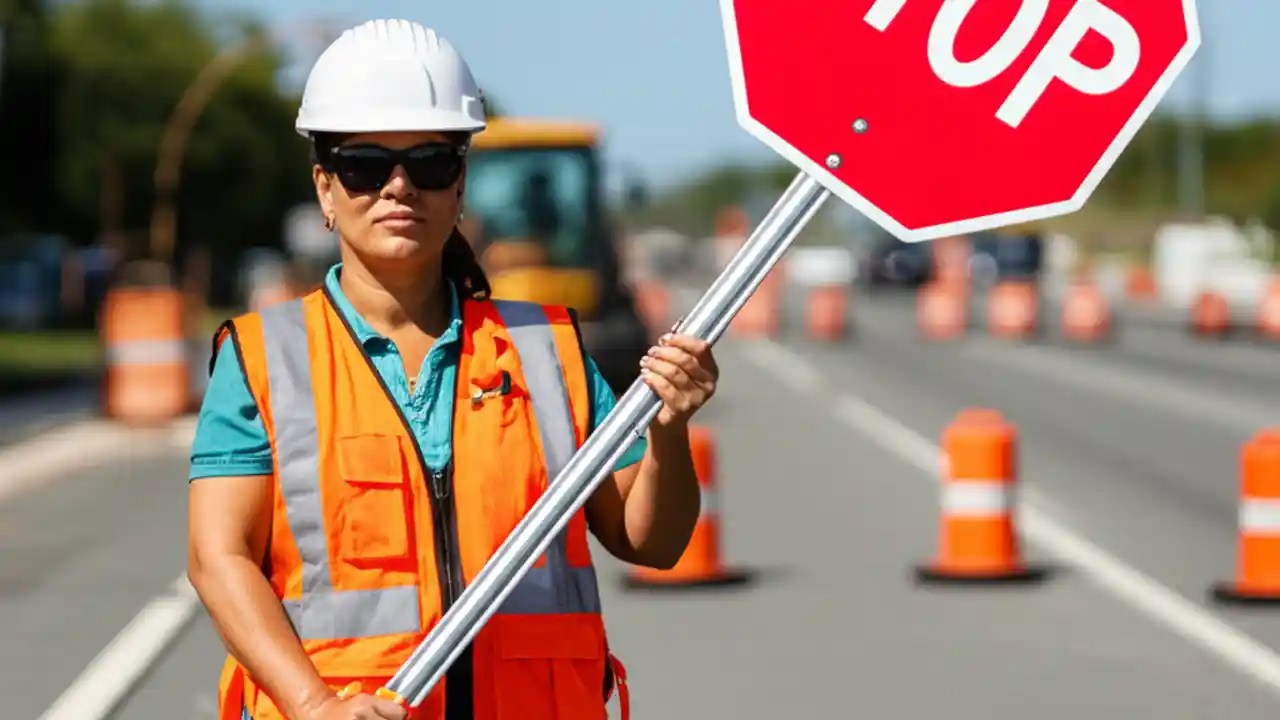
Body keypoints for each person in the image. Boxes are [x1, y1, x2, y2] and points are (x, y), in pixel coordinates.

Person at [185, 18, 717, 720]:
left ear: (461, 183)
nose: (399, 188)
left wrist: (672, 429)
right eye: (365, 167)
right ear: (324, 188)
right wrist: (313, 705)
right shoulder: (262, 357)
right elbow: (218, 558)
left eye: (431, 163)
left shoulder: (548, 352)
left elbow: (651, 539)